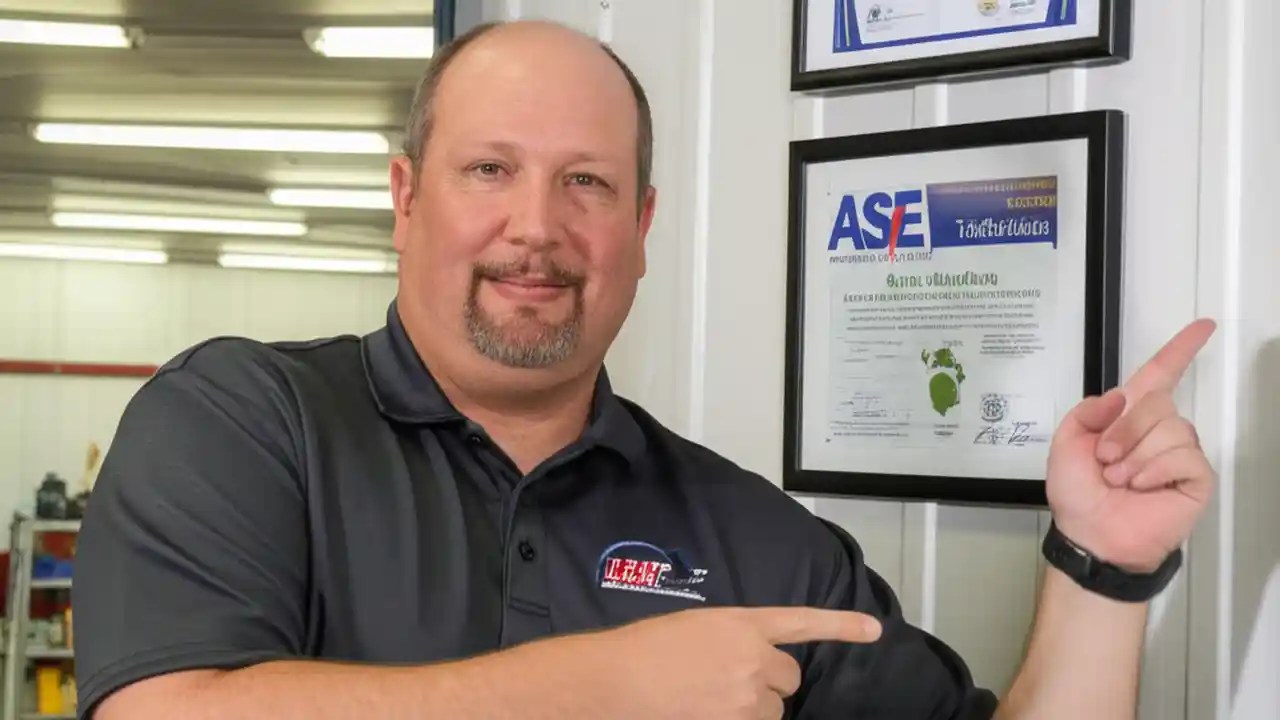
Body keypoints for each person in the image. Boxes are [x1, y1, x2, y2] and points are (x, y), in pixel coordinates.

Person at [74, 20, 1217, 720]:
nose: (536, 228)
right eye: (487, 169)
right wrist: (596, 695)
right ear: (407, 198)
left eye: (586, 183)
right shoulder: (241, 419)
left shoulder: (755, 542)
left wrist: (1098, 567)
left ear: (640, 224)